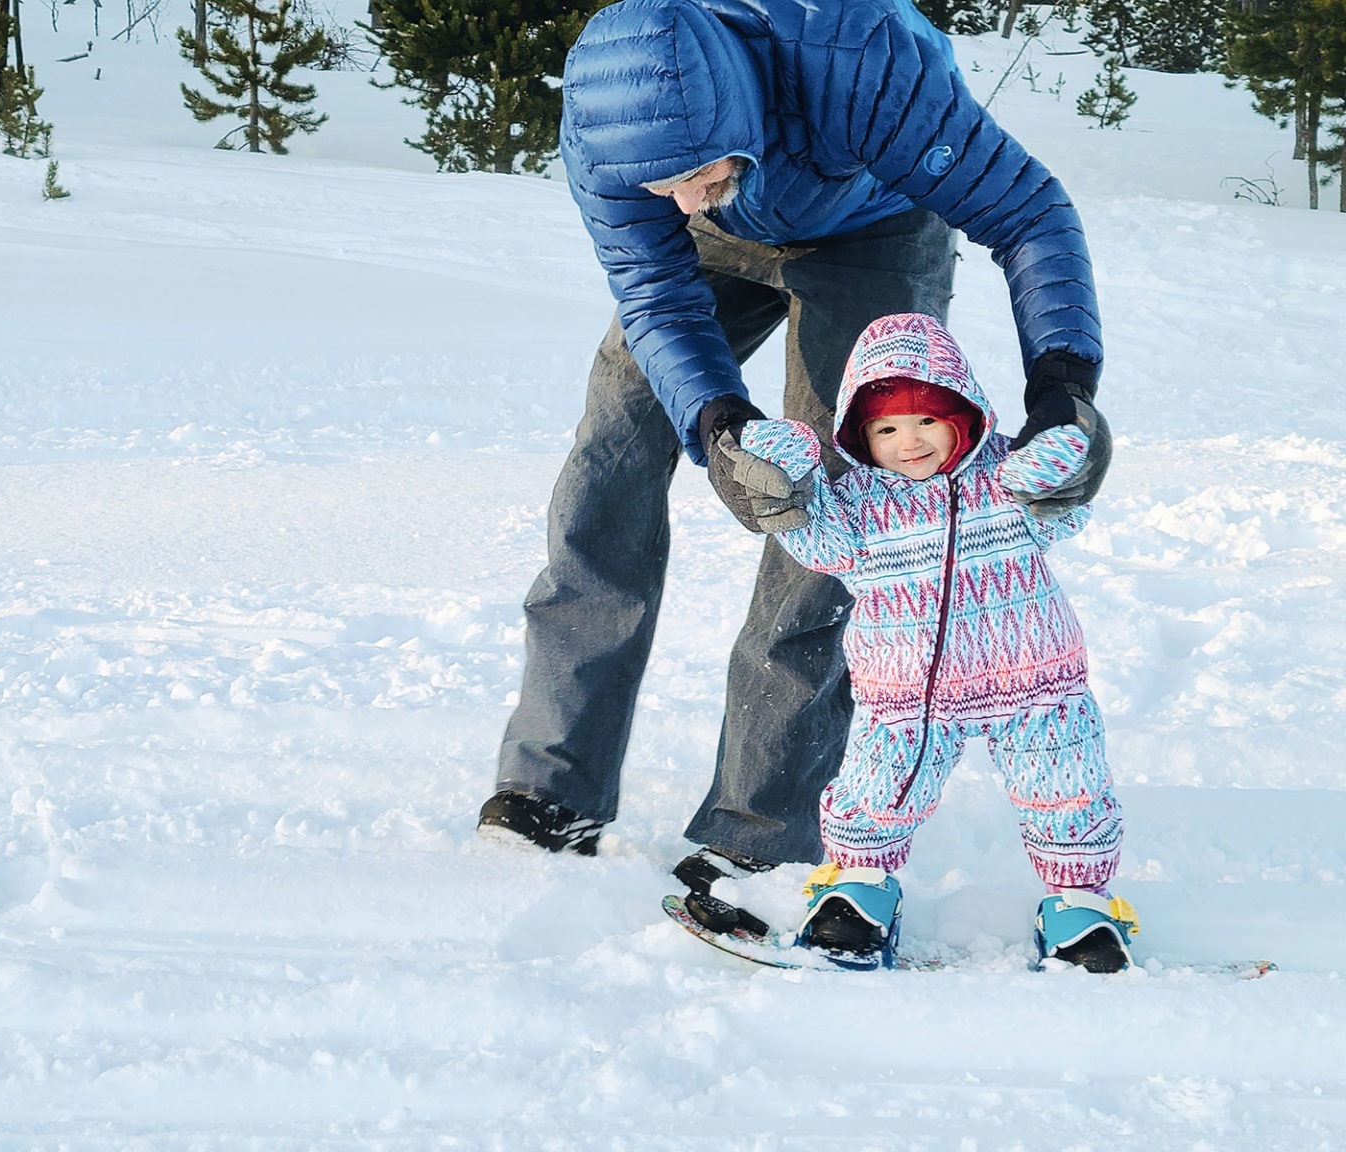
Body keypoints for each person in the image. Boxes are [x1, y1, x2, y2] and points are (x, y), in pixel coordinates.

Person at [477, 0, 1113, 907]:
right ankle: (553, 783)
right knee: (609, 459)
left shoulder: (865, 63)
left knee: (842, 503)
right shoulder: (610, 124)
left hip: (874, 224)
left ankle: (763, 823)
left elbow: (1031, 216)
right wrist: (718, 423)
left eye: (693, 173)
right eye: (660, 186)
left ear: (737, 116)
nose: (678, 199)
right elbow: (655, 288)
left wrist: (1062, 386)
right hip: (715, 246)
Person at [736, 312, 1136, 972]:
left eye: (926, 419)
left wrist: (1060, 463)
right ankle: (860, 887)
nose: (910, 441)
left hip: (1033, 679)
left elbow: (1064, 515)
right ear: (860, 434)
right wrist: (791, 484)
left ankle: (1080, 904)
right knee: (877, 790)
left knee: (1067, 788)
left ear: (962, 412)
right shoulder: (856, 502)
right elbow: (819, 544)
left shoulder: (1003, 471)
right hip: (907, 692)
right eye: (887, 428)